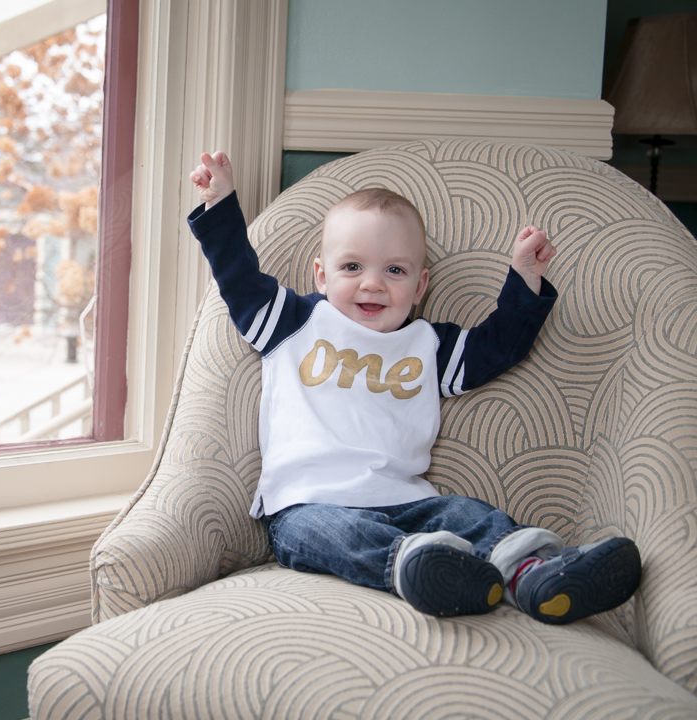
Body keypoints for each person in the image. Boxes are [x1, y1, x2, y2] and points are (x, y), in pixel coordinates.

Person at [187, 151, 642, 623]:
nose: (373, 285)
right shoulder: (293, 323)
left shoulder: (426, 346)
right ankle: (418, 569)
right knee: (323, 534)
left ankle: (534, 573)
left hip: (408, 502)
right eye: (352, 268)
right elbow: (238, 278)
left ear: (421, 286)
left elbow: (497, 348)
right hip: (307, 501)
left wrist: (525, 279)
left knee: (468, 515)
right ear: (321, 275)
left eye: (395, 271)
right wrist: (220, 204)